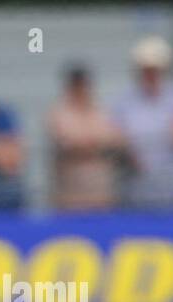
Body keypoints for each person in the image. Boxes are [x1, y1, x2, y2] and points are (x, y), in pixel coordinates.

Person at [114, 36, 173, 209]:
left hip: (172, 184)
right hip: (135, 185)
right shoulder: (124, 102)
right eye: (146, 70)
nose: (151, 75)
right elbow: (117, 136)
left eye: (155, 70)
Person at [47, 65, 126, 210]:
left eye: (83, 85)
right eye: (76, 85)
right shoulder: (59, 114)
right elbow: (68, 147)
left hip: (102, 196)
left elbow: (118, 144)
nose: (80, 90)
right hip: (70, 199)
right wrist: (97, 146)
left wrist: (88, 146)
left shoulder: (102, 112)